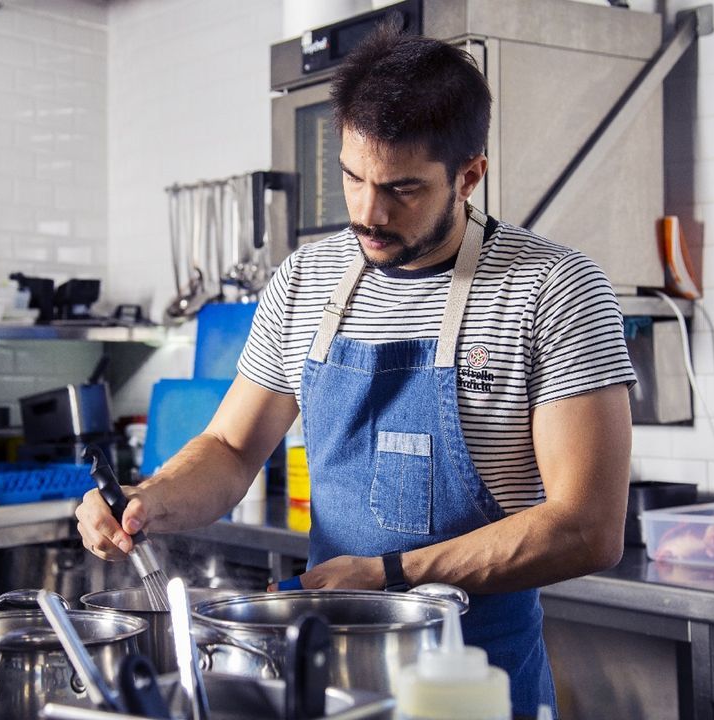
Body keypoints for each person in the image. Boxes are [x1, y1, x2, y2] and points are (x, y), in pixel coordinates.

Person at [76, 28, 634, 718]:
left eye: (402, 189)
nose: (368, 214)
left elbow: (589, 525)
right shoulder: (307, 278)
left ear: (468, 175)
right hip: (326, 682)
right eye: (352, 178)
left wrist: (386, 579)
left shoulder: (553, 287)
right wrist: (149, 500)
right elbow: (229, 450)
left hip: (474, 681)